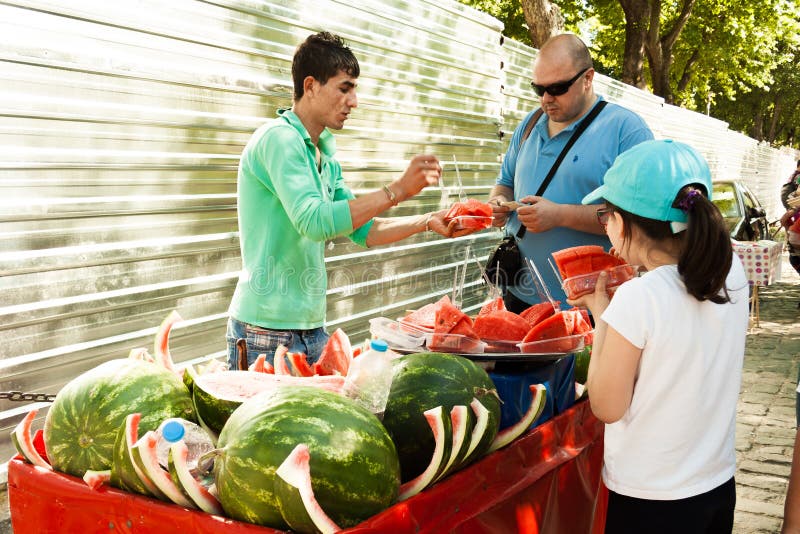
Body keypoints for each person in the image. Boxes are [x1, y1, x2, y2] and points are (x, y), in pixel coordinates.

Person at [226, 32, 472, 370]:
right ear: (310, 85)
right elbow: (314, 222)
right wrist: (396, 190)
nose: (353, 101)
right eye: (345, 88)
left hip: (310, 327)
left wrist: (426, 221)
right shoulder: (279, 139)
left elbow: (364, 230)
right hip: (265, 329)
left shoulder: (323, 152)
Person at [568, 139, 749, 533]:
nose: (605, 226)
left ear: (624, 222)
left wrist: (603, 319)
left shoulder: (638, 298)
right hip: (716, 484)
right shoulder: (731, 271)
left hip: (652, 500)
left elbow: (606, 406)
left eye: (605, 215)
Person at [488, 33, 654, 313]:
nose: (546, 100)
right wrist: (497, 204)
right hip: (520, 296)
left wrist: (560, 215)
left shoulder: (627, 130)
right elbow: (504, 183)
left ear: (588, 78)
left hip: (593, 306)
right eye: (538, 89)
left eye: (557, 88)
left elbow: (640, 218)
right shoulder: (530, 124)